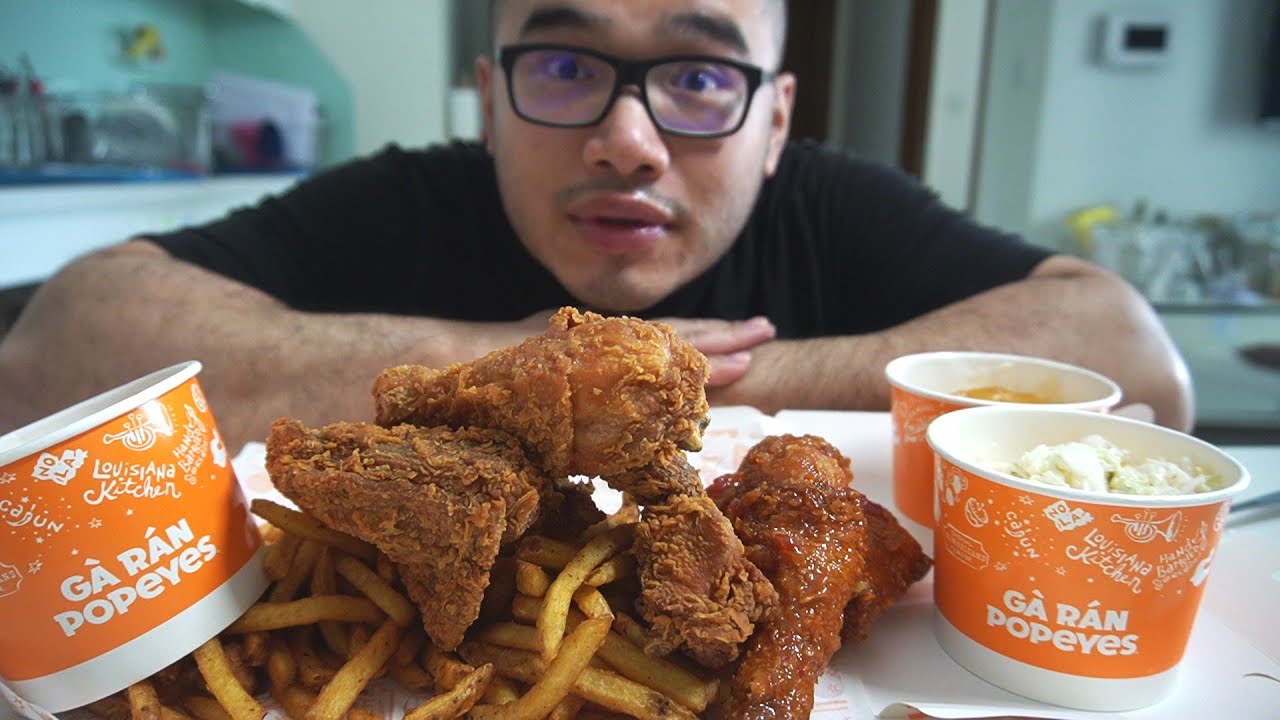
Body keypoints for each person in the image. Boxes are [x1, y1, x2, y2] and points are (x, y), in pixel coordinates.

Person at [0, 0, 1193, 451]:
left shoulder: (830, 205)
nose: (627, 139)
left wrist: (695, 380)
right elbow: (55, 349)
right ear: (487, 94)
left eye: (698, 78)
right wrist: (499, 369)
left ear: (774, 123)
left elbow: (1136, 364)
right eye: (565, 66)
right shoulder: (414, 195)